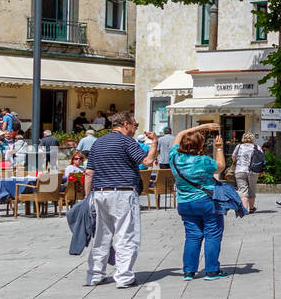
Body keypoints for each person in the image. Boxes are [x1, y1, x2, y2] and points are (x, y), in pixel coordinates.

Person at [83, 111, 158, 288]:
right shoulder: (126, 141)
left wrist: (87, 198)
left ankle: (94, 274)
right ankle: (124, 276)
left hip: (100, 192)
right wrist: (154, 143)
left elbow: (89, 173)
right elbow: (147, 161)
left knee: (101, 236)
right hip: (123, 192)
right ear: (125, 124)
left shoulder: (98, 142)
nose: (135, 129)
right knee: (126, 234)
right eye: (135, 125)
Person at [168, 123, 228, 281]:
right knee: (212, 234)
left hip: (184, 202)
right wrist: (219, 148)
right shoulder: (203, 161)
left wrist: (200, 127)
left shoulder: (174, 157)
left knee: (192, 236)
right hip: (206, 201)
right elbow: (220, 167)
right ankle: (212, 270)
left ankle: (189, 271)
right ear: (200, 145)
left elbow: (180, 133)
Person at [231, 132, 263, 214]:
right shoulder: (257, 147)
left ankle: (245, 209)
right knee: (252, 189)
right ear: (252, 139)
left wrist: (238, 161)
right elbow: (262, 159)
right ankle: (251, 208)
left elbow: (233, 157)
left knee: (242, 190)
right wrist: (262, 170)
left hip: (240, 170)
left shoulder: (239, 146)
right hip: (252, 171)